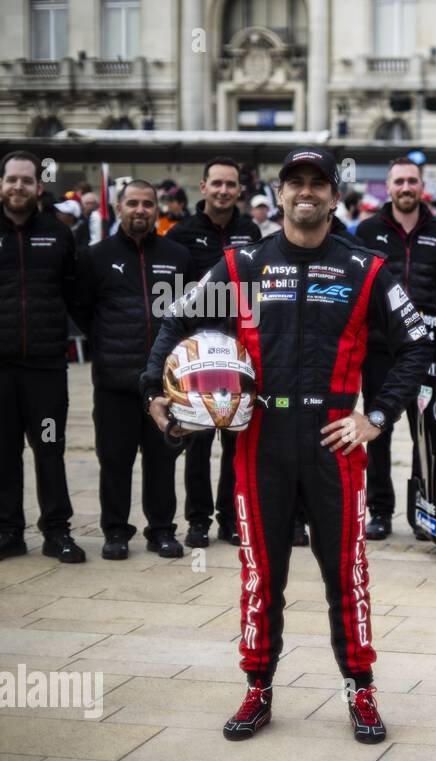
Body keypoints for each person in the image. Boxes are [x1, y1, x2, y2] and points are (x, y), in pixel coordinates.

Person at [142, 147, 436, 742]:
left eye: (318, 184)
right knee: (260, 574)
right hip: (259, 440)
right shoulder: (241, 264)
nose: (306, 192)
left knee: (346, 574)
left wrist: (375, 416)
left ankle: (361, 691)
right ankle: (257, 689)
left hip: (336, 443)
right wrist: (158, 389)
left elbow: (419, 345)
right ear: (278, 195)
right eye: (295, 183)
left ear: (334, 195)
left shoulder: (366, 267)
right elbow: (175, 322)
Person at [72, 180, 191, 559]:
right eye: (133, 204)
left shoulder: (178, 256)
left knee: (162, 460)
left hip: (163, 384)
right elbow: (83, 311)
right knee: (115, 460)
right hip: (115, 380)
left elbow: (188, 313)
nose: (140, 210)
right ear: (118, 208)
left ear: (157, 209)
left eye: (147, 204)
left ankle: (161, 531)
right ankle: (116, 531)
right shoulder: (95, 257)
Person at [167, 157, 264, 549]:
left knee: (237, 440)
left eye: (231, 184)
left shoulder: (250, 231)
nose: (224, 190)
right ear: (203, 187)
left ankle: (230, 520)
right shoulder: (181, 234)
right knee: (198, 440)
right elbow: (174, 300)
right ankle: (197, 521)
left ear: (240, 190)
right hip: (196, 353)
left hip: (240, 351)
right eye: (217, 184)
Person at [354, 157, 436, 540]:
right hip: (379, 349)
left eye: (412, 181)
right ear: (389, 187)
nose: (406, 188)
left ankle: (423, 511)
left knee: (424, 431)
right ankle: (380, 511)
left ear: (421, 184)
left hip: (424, 349)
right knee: (378, 428)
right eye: (399, 182)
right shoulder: (367, 230)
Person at [0, 150, 85, 563]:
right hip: (1, 370)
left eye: (26, 180)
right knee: (3, 451)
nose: (18, 187)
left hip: (47, 369)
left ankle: (57, 530)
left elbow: (77, 296)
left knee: (49, 447)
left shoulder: (58, 234)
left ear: (38, 187)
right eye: (11, 179)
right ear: (2, 184)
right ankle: (8, 531)